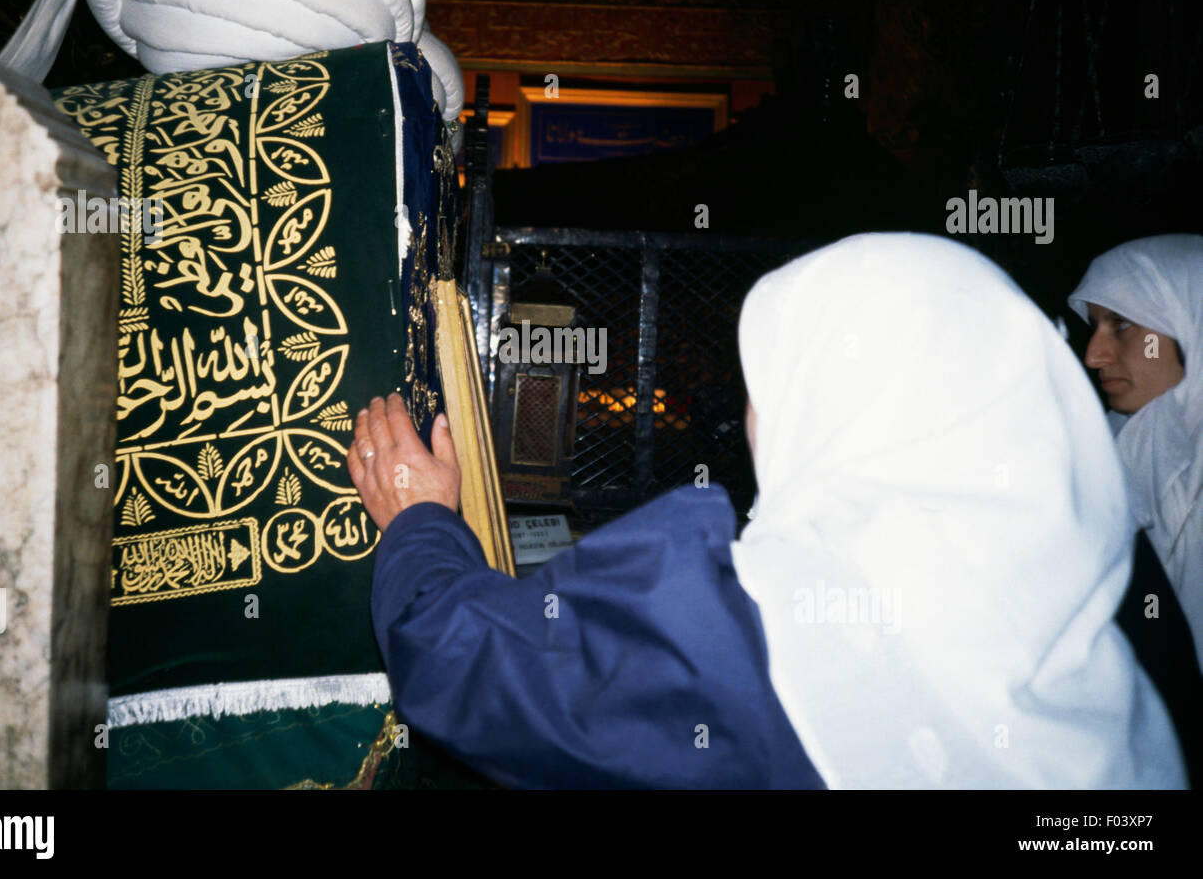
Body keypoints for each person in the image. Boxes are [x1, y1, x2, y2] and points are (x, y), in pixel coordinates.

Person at [351, 232, 1185, 788]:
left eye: (775, 381)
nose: (752, 415)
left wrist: (422, 519)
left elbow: (466, 666)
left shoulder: (749, 625)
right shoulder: (1104, 673)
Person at [1069, 235, 1203, 669]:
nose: (1094, 355)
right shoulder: (1098, 450)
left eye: (1122, 323)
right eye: (1094, 327)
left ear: (1189, 318)